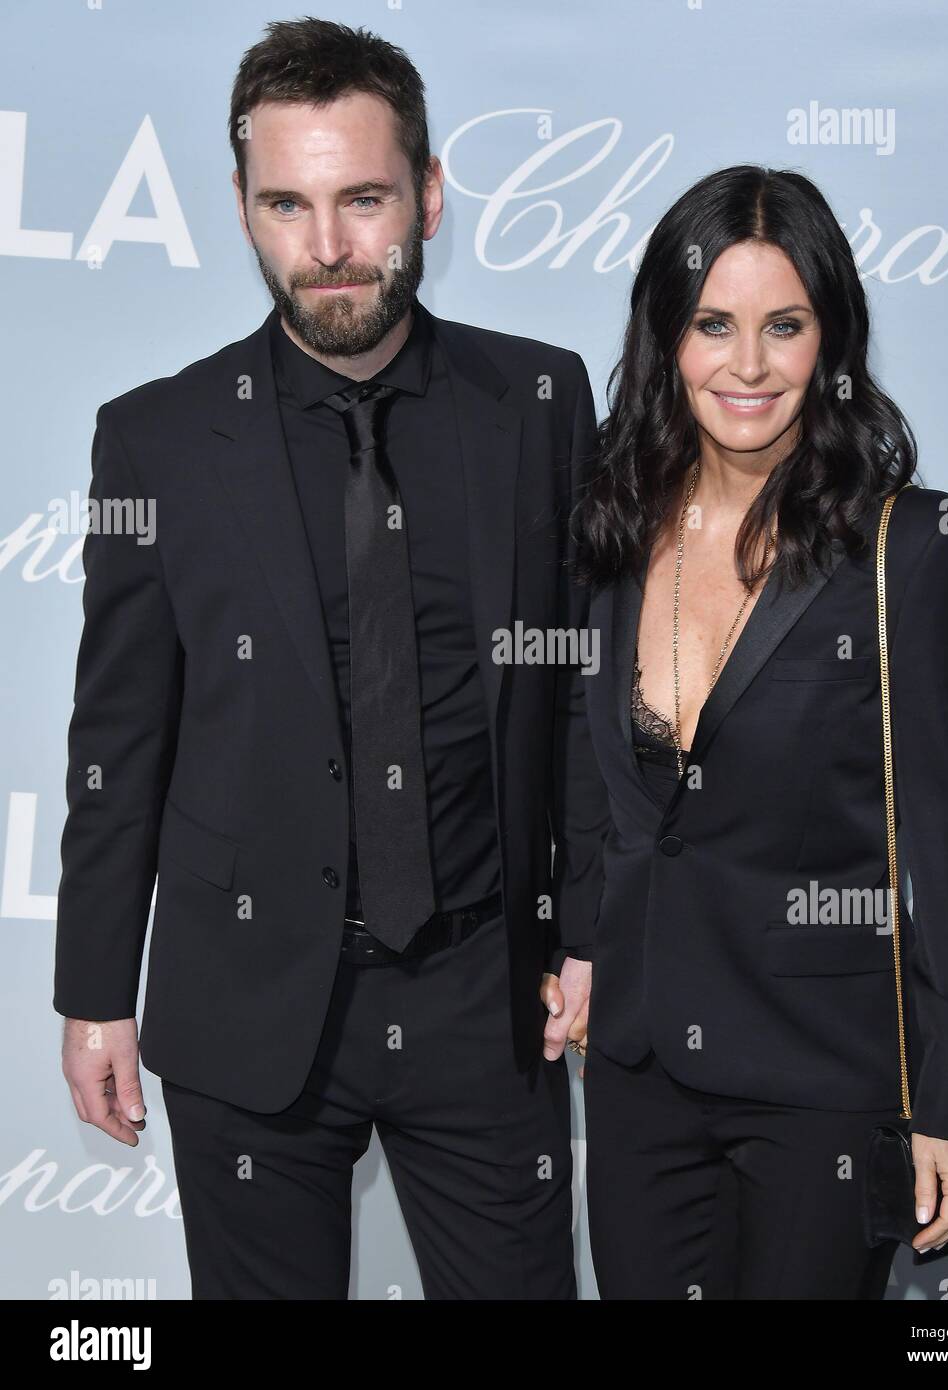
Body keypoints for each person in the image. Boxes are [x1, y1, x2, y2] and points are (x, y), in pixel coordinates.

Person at [54, 18, 609, 1300]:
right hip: (245, 1000)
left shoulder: (539, 404)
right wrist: (94, 991)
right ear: (242, 209)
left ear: (428, 195)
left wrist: (588, 932)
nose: (328, 247)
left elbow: (585, 695)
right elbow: (119, 737)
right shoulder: (156, 440)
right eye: (286, 205)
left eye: (363, 199)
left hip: (486, 1000)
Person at [558, 165, 948, 1299]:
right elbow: (603, 784)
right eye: (714, 324)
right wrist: (584, 942)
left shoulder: (914, 547)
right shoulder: (614, 522)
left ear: (832, 338)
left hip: (824, 1076)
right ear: (667, 337)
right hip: (643, 1069)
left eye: (784, 326)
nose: (748, 365)